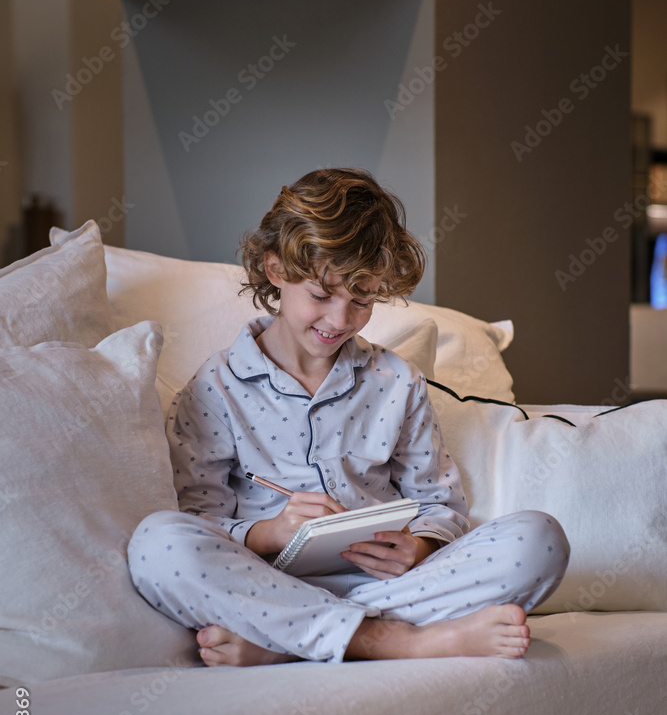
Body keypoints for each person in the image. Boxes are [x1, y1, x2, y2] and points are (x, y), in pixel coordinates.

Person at [128, 168, 570, 667]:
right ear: (275, 270)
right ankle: (399, 642)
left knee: (540, 540)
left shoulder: (398, 381)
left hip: (384, 587)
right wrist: (270, 532)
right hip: (264, 585)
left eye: (361, 301)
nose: (339, 321)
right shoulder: (215, 387)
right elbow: (198, 518)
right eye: (320, 295)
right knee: (157, 545)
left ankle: (287, 644)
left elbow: (439, 503)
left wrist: (419, 548)